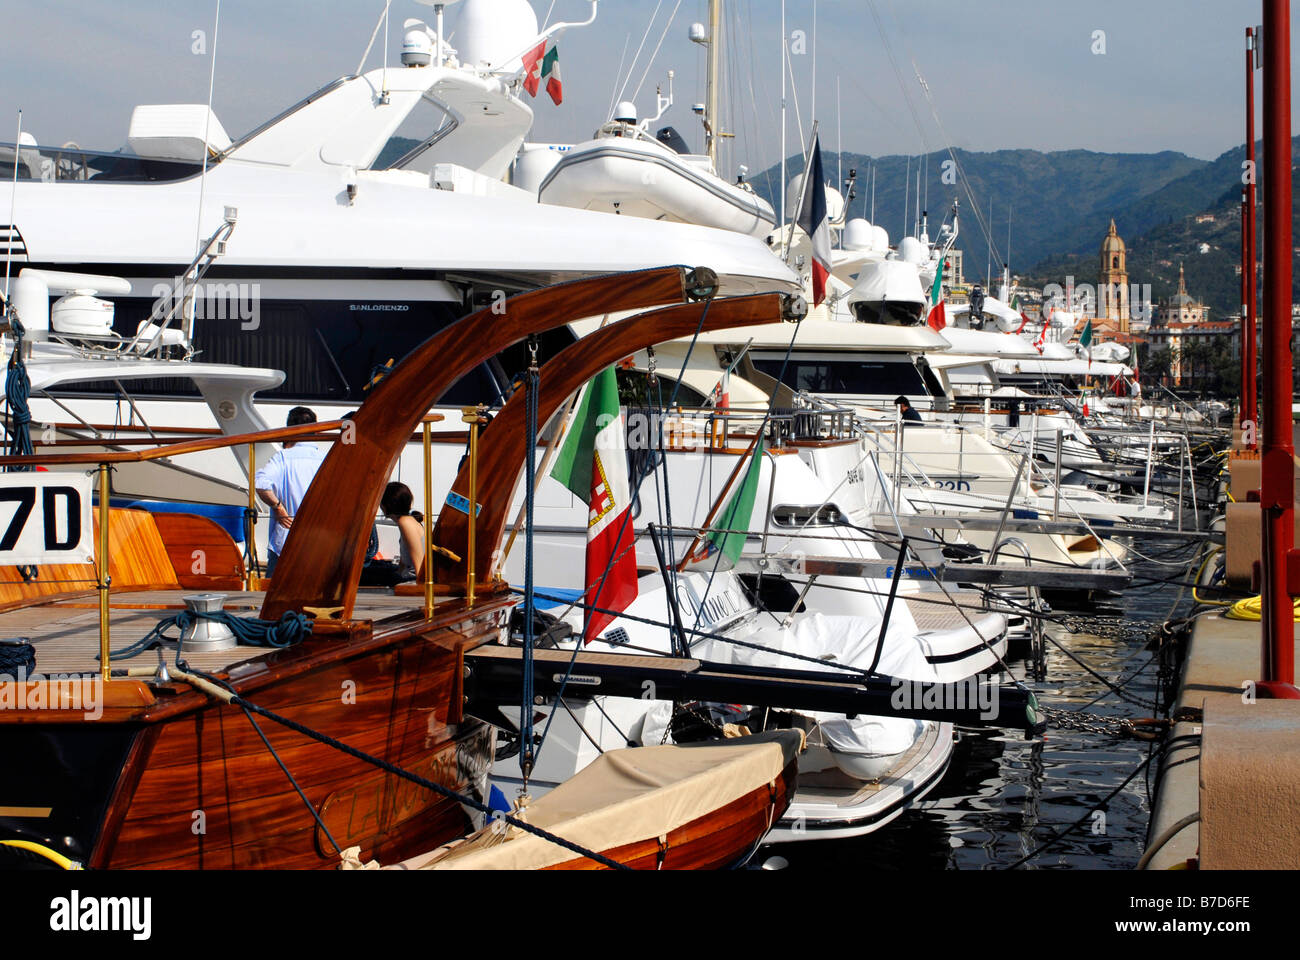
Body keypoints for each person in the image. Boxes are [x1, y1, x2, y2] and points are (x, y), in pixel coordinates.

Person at [254, 406, 326, 576]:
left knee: (273, 599)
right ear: (315, 431)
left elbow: (260, 483)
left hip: (285, 541)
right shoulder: (326, 459)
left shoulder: (283, 458)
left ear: (289, 430)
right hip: (320, 543)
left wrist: (278, 507)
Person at [380, 482, 426, 584]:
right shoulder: (409, 520)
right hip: (405, 574)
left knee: (365, 574)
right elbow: (404, 563)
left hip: (410, 578)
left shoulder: (405, 522)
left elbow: (419, 565)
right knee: (377, 567)